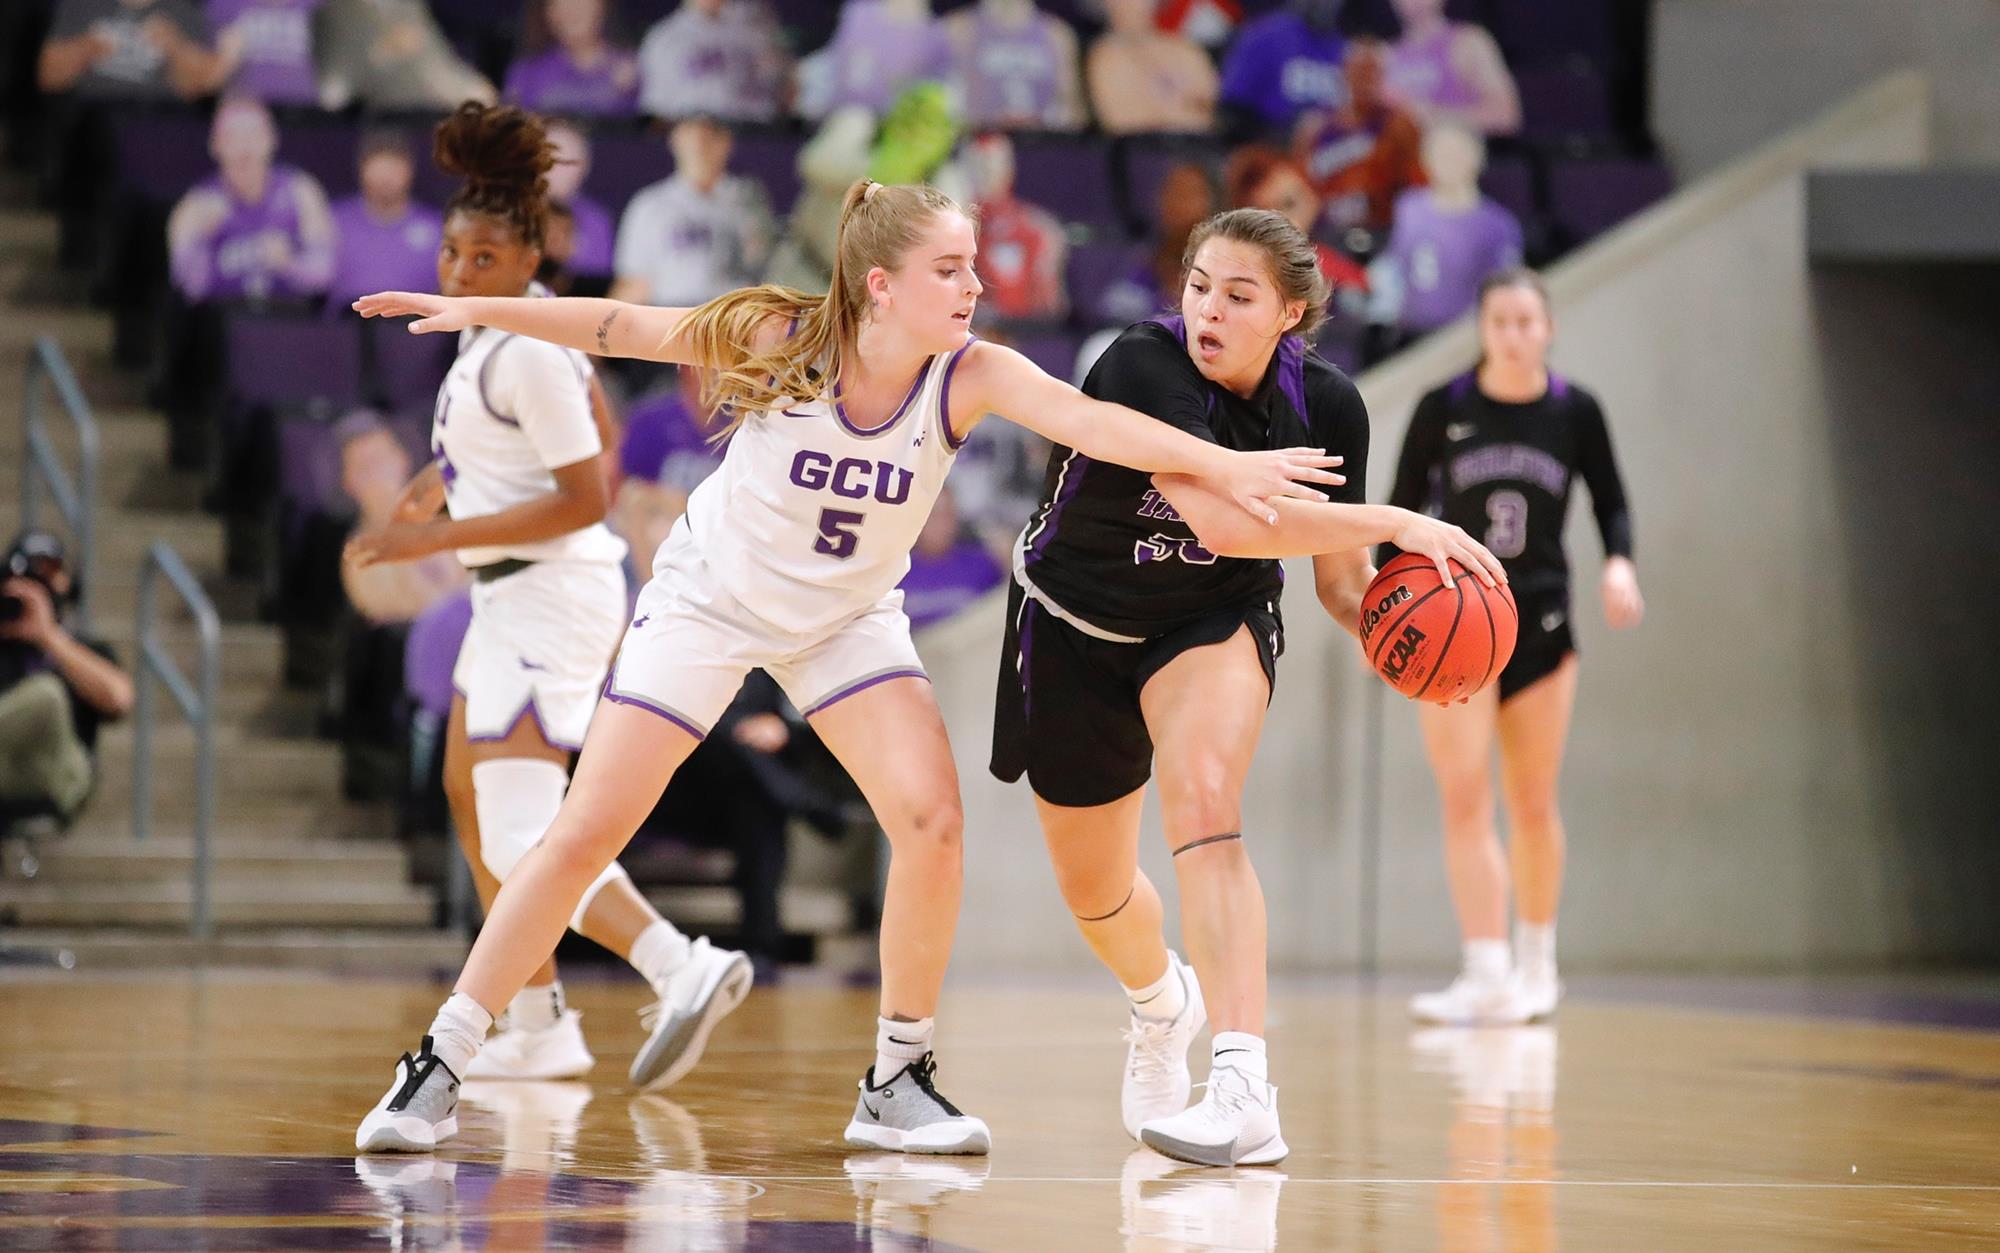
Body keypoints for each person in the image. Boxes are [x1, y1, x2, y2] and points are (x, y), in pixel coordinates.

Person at [348, 177, 1344, 1156]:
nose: (971, 288)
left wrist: (1226, 465)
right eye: (948, 269)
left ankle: (896, 1079)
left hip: (843, 623)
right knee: (583, 828)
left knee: (932, 822)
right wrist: (473, 309)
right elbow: (620, 325)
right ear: (880, 286)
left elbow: (1094, 426)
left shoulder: (969, 372)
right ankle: (440, 1061)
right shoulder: (780, 337)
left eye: (970, 269)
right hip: (711, 605)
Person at [990, 206, 1505, 1166]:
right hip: (1073, 621)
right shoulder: (1139, 366)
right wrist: (1400, 519)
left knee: (1206, 802)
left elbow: (1337, 581)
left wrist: (1397, 641)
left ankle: (1241, 1083)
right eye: (1197, 287)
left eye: (1238, 295)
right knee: (1094, 889)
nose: (1208, 311)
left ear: (1292, 313)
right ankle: (1159, 1005)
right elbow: (1223, 518)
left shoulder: (1331, 405)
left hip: (1208, 618)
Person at [342, 102, 754, 1098]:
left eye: (482, 256)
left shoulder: (526, 345)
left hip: (552, 593)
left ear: (529, 258)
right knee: (464, 793)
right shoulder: (501, 338)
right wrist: (443, 481)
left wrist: (432, 534)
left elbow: (586, 488)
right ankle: (537, 1019)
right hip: (511, 596)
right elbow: (588, 431)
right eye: (449, 251)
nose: (456, 270)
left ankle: (673, 961)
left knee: (526, 830)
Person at [1386, 267, 1641, 1026]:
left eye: (1527, 321)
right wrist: (1389, 610)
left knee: (1531, 800)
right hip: (1454, 625)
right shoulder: (1445, 406)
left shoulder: (1575, 410)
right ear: (1483, 328)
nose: (1514, 334)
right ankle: (1485, 970)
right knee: (1464, 797)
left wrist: (1620, 563)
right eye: (1500, 322)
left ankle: (1538, 963)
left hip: (1541, 617)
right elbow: (1399, 511)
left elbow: (1612, 500)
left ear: (1548, 326)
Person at [0, 533, 134, 828]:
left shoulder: (83, 649)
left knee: (46, 696)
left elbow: (120, 698)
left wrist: (48, 636)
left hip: (59, 778)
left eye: (48, 580)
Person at [166, 96, 335, 306]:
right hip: (221, 325)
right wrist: (202, 241)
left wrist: (290, 265)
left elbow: (325, 273)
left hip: (287, 319)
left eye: (253, 136)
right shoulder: (194, 206)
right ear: (215, 145)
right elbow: (188, 289)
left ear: (272, 140)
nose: (244, 148)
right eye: (233, 138)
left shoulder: (301, 190)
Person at [1371, 124, 1522, 340]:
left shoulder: (1498, 225)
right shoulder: (1407, 208)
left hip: (1465, 339)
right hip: (1408, 336)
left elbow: (1503, 292)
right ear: (1425, 159)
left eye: (1457, 152)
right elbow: (1394, 265)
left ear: (1477, 157)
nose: (1447, 161)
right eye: (1439, 153)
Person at [611, 115, 774, 309]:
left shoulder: (749, 199)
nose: (699, 145)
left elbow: (766, 273)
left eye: (710, 136)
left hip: (732, 317)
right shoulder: (649, 205)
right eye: (691, 134)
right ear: (675, 139)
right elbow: (635, 285)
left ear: (727, 142)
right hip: (672, 318)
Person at [327, 130, 443, 316]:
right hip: (342, 330)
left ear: (410, 170)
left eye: (394, 170)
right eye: (378, 169)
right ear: (361, 169)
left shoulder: (435, 227)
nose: (386, 179)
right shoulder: (332, 220)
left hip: (415, 331)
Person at [942, 0, 1085, 133]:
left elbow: (1073, 113)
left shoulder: (1057, 35)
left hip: (1039, 146)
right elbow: (944, 109)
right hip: (981, 145)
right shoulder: (957, 30)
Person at [1382, 0, 1519, 136]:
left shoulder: (1468, 42)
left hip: (1453, 150)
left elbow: (1505, 115)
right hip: (1399, 152)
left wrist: (1431, 116)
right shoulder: (1384, 55)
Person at [636, 0, 787, 124]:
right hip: (693, 135)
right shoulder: (663, 38)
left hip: (747, 132)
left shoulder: (753, 30)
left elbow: (777, 89)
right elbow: (656, 107)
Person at [1216, 0, 1348, 140]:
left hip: (1329, 152)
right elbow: (1231, 110)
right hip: (1267, 145)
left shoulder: (1348, 49)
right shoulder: (1266, 34)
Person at [1087, 0, 1217, 137]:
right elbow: (1128, 126)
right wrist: (1185, 112)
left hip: (1202, 149)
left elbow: (1212, 111)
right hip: (1149, 154)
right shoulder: (1105, 57)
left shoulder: (1187, 50)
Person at [503, 0, 639, 118]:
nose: (572, 11)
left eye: (581, 3)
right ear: (549, 13)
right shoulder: (526, 73)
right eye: (562, 3)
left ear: (601, 6)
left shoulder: (633, 68)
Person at [209, 0, 325, 105]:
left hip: (309, 112)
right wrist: (225, 62)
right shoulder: (224, 4)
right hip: (245, 111)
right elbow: (202, 83)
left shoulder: (321, 6)